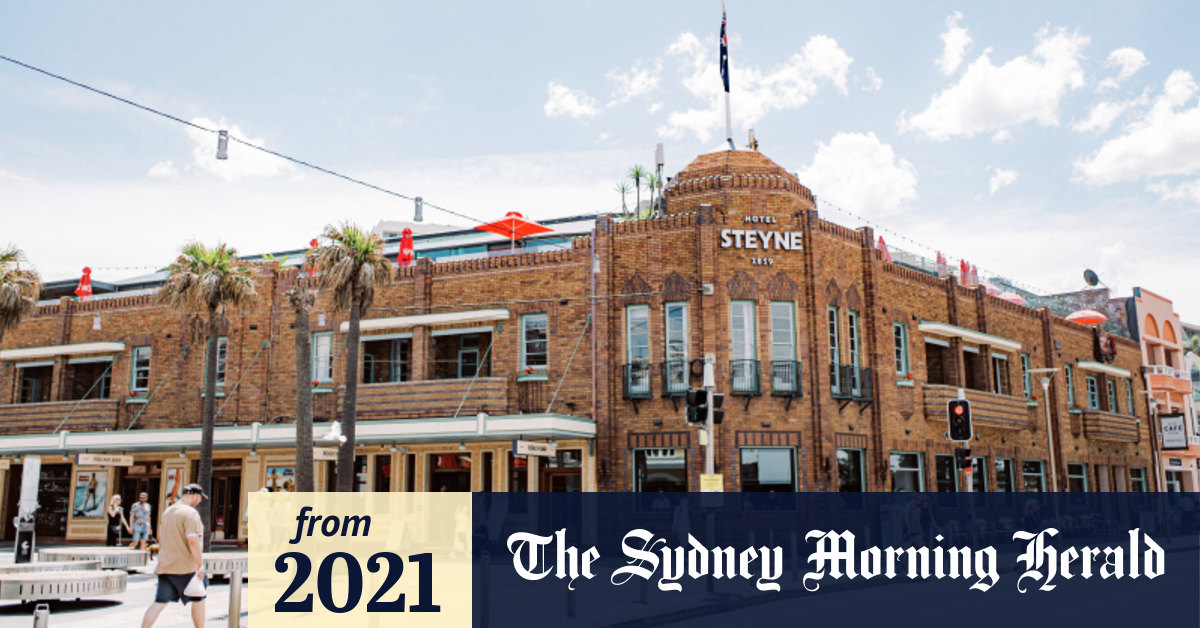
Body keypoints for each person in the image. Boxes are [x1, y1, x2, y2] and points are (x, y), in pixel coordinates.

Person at [142, 484, 207, 628]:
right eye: (199, 499)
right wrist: (200, 565)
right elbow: (193, 540)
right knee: (199, 598)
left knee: (159, 603)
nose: (199, 502)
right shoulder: (190, 514)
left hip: (165, 565)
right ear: (194, 496)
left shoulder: (168, 511)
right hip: (185, 567)